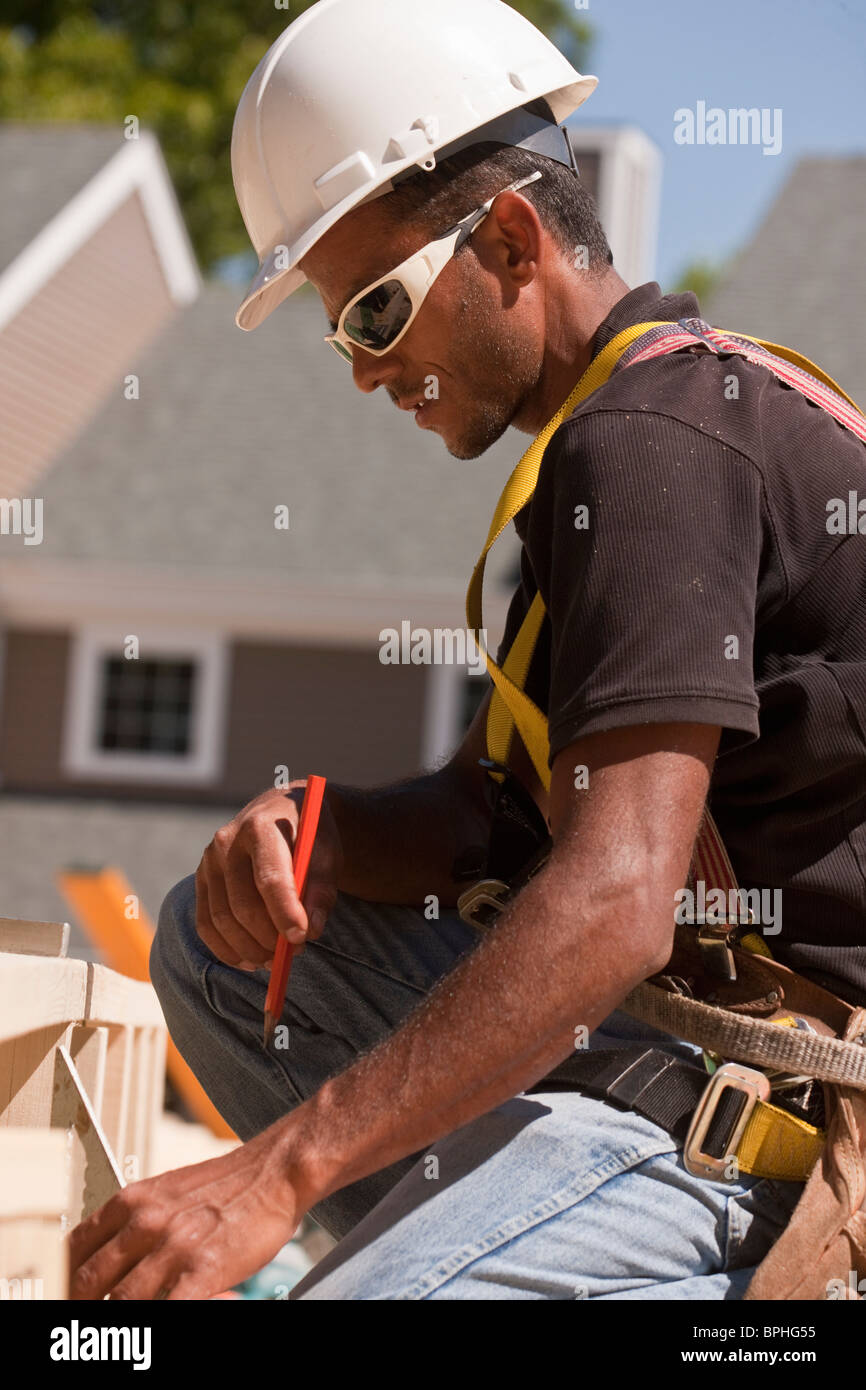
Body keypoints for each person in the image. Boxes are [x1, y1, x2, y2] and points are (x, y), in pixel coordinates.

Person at [69, 0, 865, 1300]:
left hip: (772, 1114)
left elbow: (616, 896)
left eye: (374, 310)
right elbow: (497, 825)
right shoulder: (601, 450)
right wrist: (320, 830)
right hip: (653, 1036)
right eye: (341, 330)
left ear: (509, 237)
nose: (363, 371)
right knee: (222, 948)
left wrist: (274, 1172)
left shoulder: (656, 440)